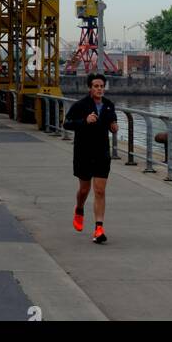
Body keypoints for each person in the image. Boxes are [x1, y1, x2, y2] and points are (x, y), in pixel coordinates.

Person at [64, 74, 118, 244]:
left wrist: (114, 127)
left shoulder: (109, 105)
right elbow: (66, 124)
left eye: (102, 86)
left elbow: (112, 122)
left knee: (100, 191)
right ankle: (79, 209)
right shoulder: (80, 105)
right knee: (84, 190)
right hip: (84, 152)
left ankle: (99, 228)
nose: (99, 89)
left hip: (102, 153)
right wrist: (84, 121)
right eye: (96, 86)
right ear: (90, 88)